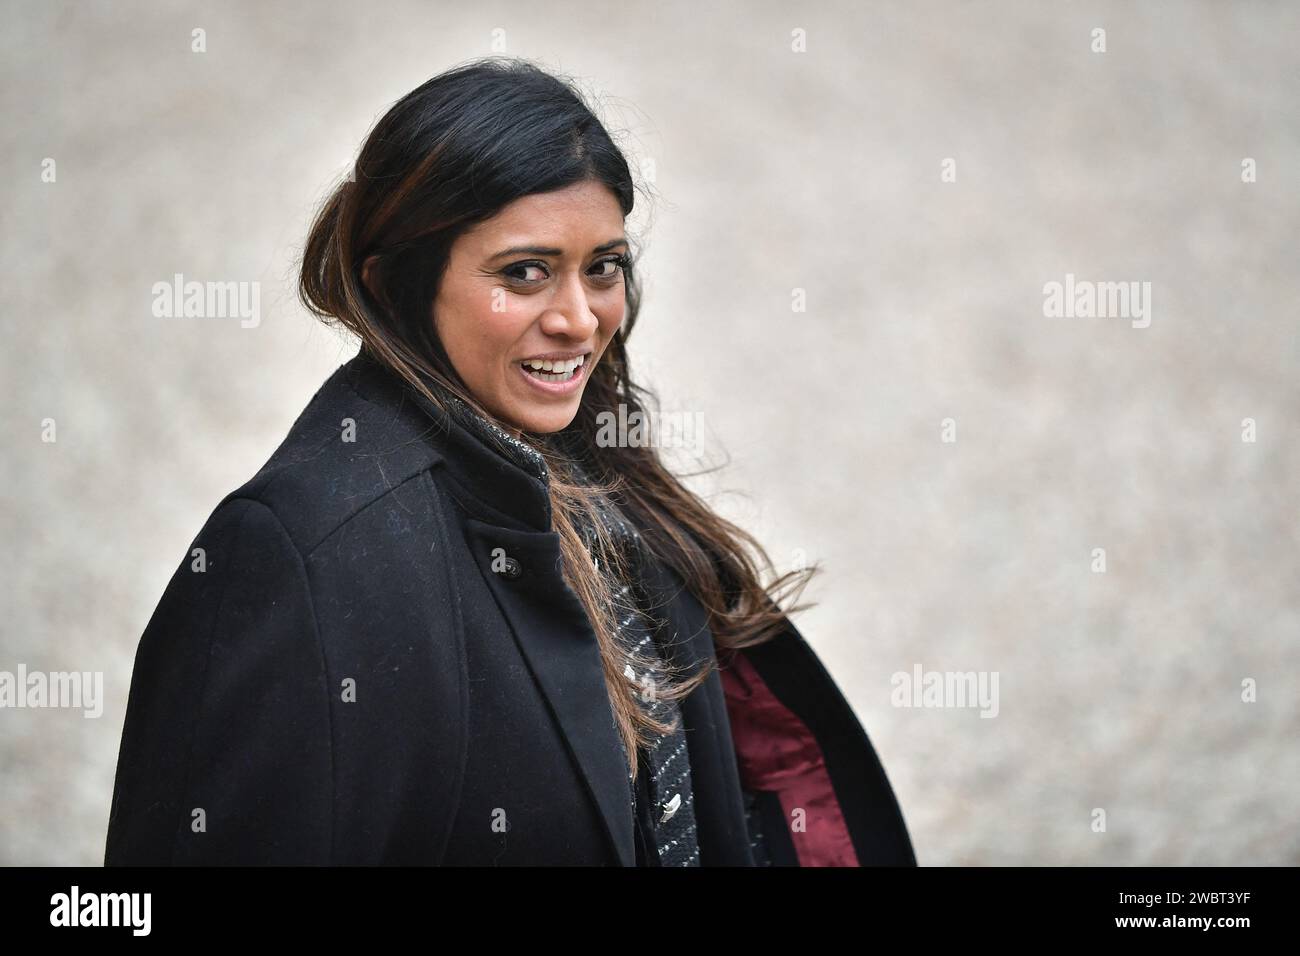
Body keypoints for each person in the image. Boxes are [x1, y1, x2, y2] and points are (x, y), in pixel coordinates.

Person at [103, 56, 916, 866]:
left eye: (602, 267)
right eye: (523, 273)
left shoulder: (595, 469)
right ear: (394, 286)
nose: (578, 320)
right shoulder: (295, 555)